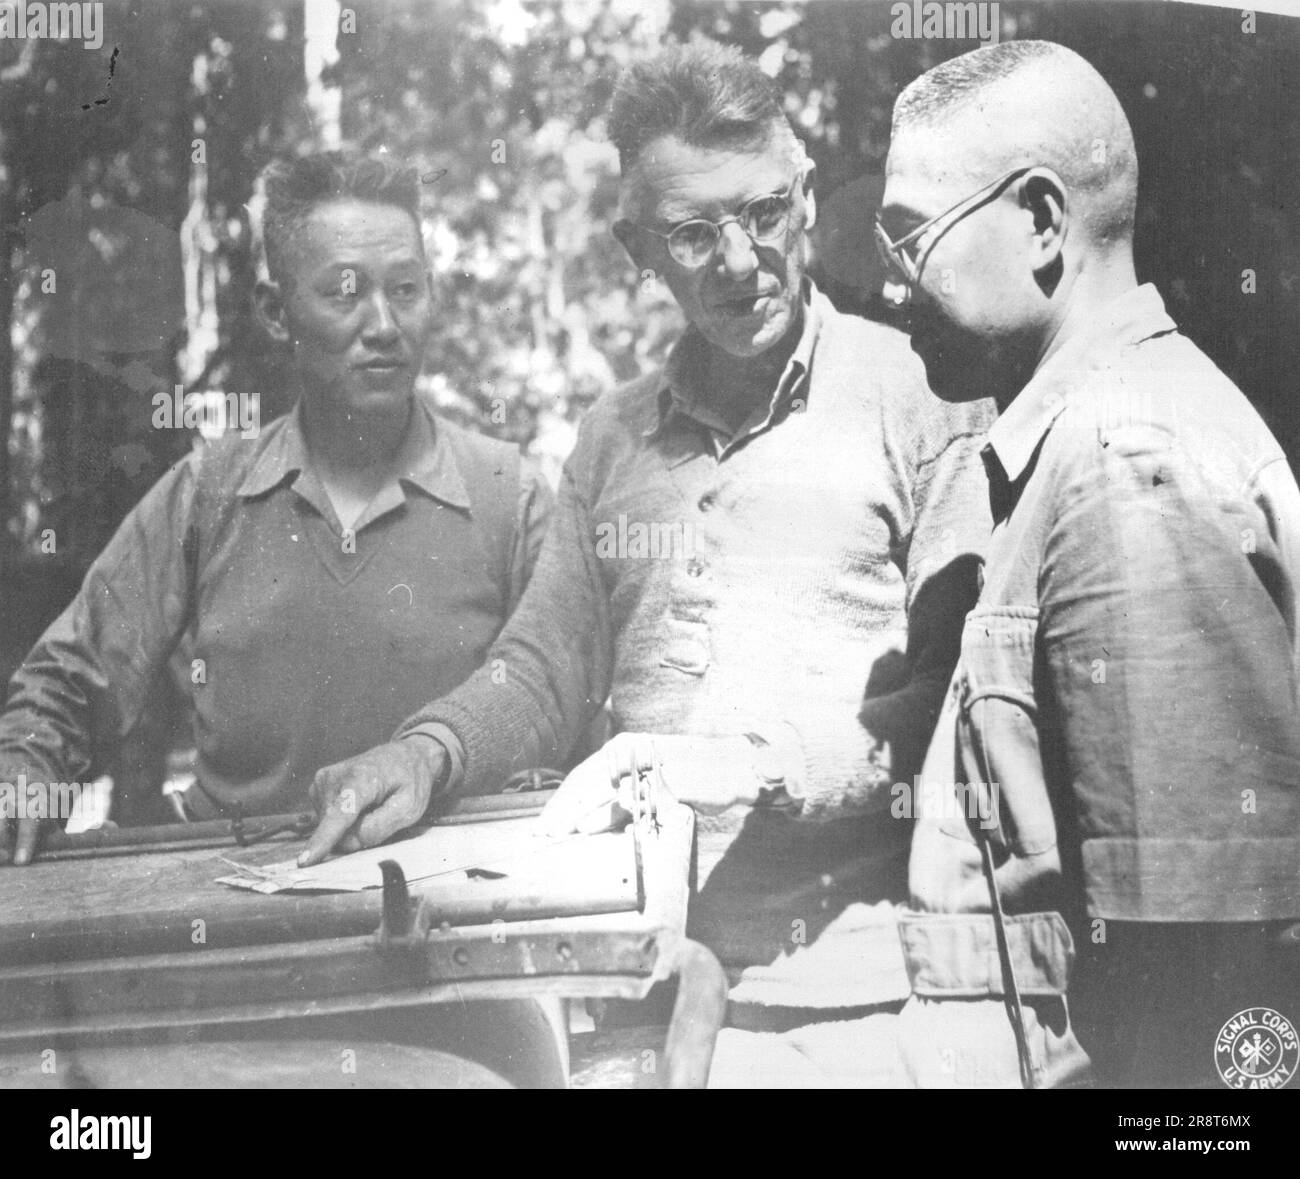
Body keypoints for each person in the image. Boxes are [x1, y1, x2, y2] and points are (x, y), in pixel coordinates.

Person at [302, 41, 995, 1086]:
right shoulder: (613, 438)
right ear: (638, 246)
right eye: (692, 231)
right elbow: (544, 667)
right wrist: (426, 753)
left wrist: (751, 766)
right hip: (639, 982)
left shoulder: (919, 394)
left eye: (763, 214)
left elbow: (962, 702)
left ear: (806, 198)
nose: (738, 260)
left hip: (859, 992)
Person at [877, 40, 1300, 1087]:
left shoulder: (1122, 463)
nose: (892, 293)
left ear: (1038, 220)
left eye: (907, 242)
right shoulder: (1090, 440)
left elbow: (1205, 986)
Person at [0, 150, 552, 865]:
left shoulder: (510, 495)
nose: (383, 323)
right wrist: (25, 770)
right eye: (344, 293)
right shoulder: (210, 493)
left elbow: (552, 694)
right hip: (234, 907)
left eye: (407, 289)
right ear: (274, 310)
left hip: (441, 910)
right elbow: (69, 681)